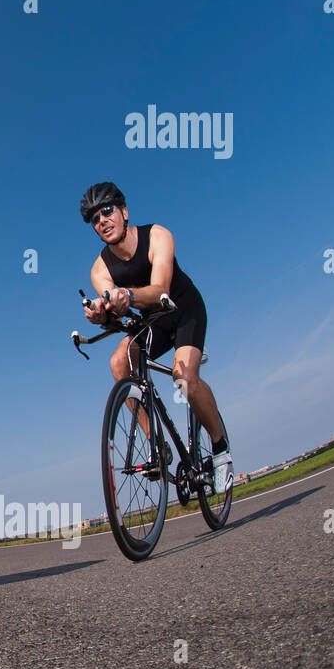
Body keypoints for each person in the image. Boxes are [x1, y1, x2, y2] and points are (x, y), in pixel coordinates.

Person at [79, 182, 233, 491]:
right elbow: (115, 307)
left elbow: (160, 288)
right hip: (154, 322)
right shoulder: (100, 269)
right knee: (118, 362)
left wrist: (126, 296)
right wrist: (101, 313)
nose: (103, 220)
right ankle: (157, 445)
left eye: (107, 211)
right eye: (95, 218)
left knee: (184, 377)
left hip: (184, 310)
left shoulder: (157, 236)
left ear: (124, 212)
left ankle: (220, 449)